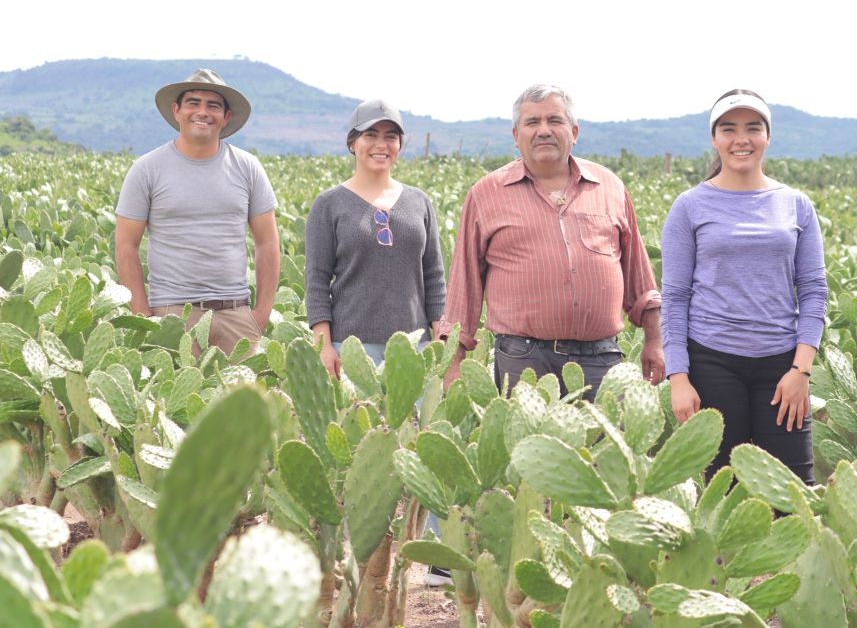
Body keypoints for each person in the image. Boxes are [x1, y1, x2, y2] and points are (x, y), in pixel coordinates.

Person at [438, 84, 664, 398]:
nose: (544, 130)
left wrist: (654, 341)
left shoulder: (610, 187)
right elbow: (465, 285)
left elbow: (640, 278)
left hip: (601, 360)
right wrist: (453, 363)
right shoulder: (486, 194)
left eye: (554, 121)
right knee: (526, 446)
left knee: (604, 444)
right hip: (523, 360)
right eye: (532, 122)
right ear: (516, 136)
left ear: (574, 131)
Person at [661, 90, 828, 483]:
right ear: (715, 139)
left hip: (782, 365)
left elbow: (814, 290)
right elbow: (674, 298)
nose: (742, 139)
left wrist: (801, 370)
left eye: (753, 128)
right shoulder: (689, 206)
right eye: (729, 128)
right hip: (712, 362)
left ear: (767, 137)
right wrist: (679, 378)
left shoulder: (796, 204)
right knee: (723, 487)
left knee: (793, 491)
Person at [115, 68, 279, 355]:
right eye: (193, 103)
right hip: (172, 316)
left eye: (213, 105)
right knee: (172, 400)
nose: (202, 112)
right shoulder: (146, 169)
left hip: (236, 316)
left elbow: (268, 243)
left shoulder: (248, 167)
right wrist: (145, 319)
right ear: (177, 110)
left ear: (226, 117)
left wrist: (260, 316)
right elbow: (126, 245)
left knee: (243, 401)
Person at [305, 99, 446, 377]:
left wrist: (441, 335)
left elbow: (434, 275)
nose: (381, 145)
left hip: (414, 346)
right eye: (370, 135)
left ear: (399, 145)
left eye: (390, 137)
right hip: (351, 348)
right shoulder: (329, 204)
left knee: (415, 421)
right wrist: (323, 346)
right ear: (352, 143)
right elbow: (317, 281)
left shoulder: (420, 202)